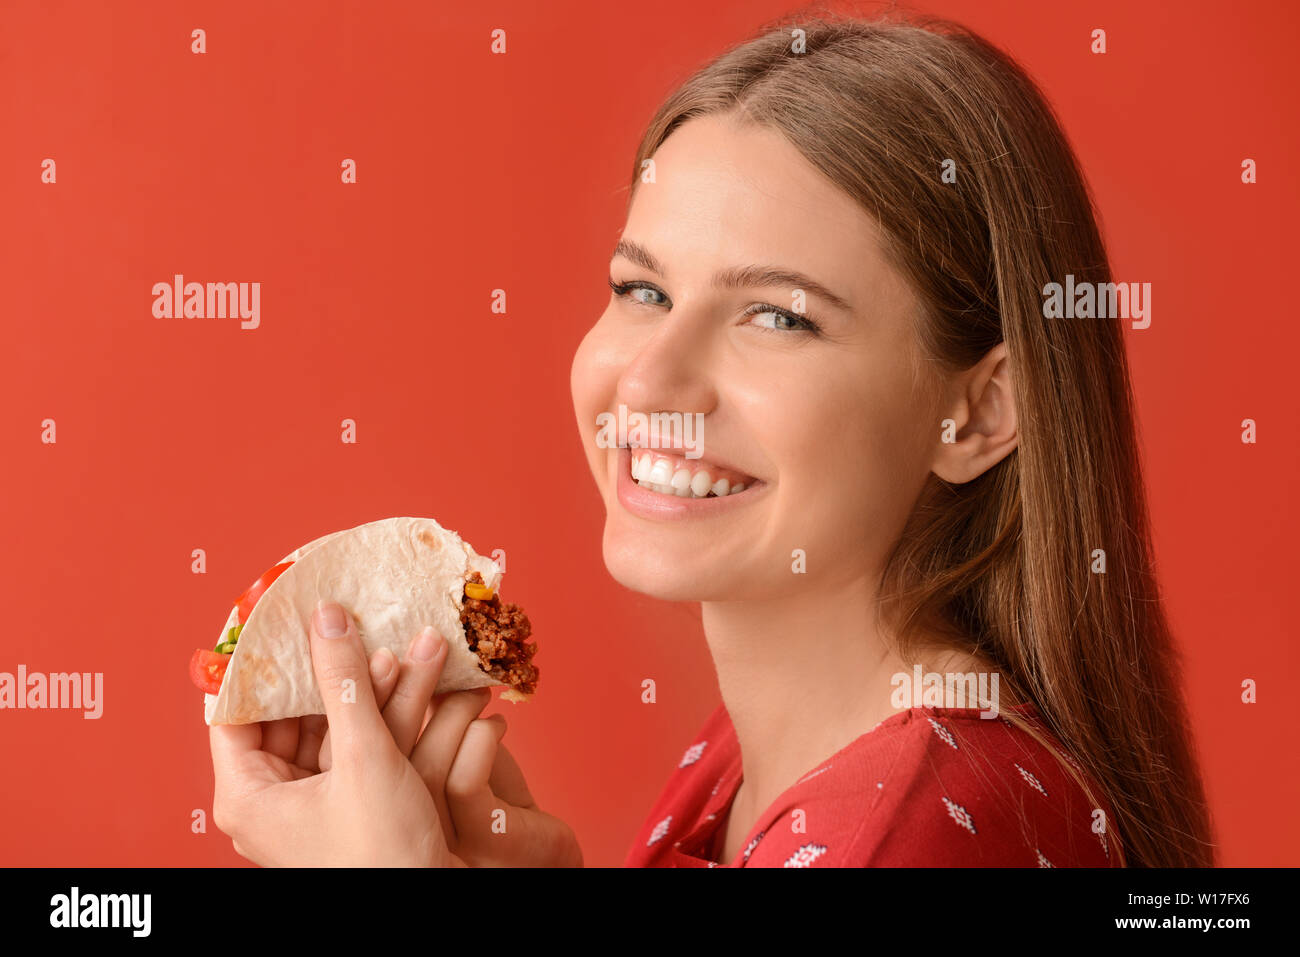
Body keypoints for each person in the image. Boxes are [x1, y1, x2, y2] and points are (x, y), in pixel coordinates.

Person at [210, 15, 1214, 867]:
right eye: (643, 290)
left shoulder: (902, 831)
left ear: (983, 412)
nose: (649, 382)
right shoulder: (776, 750)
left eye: (778, 316)